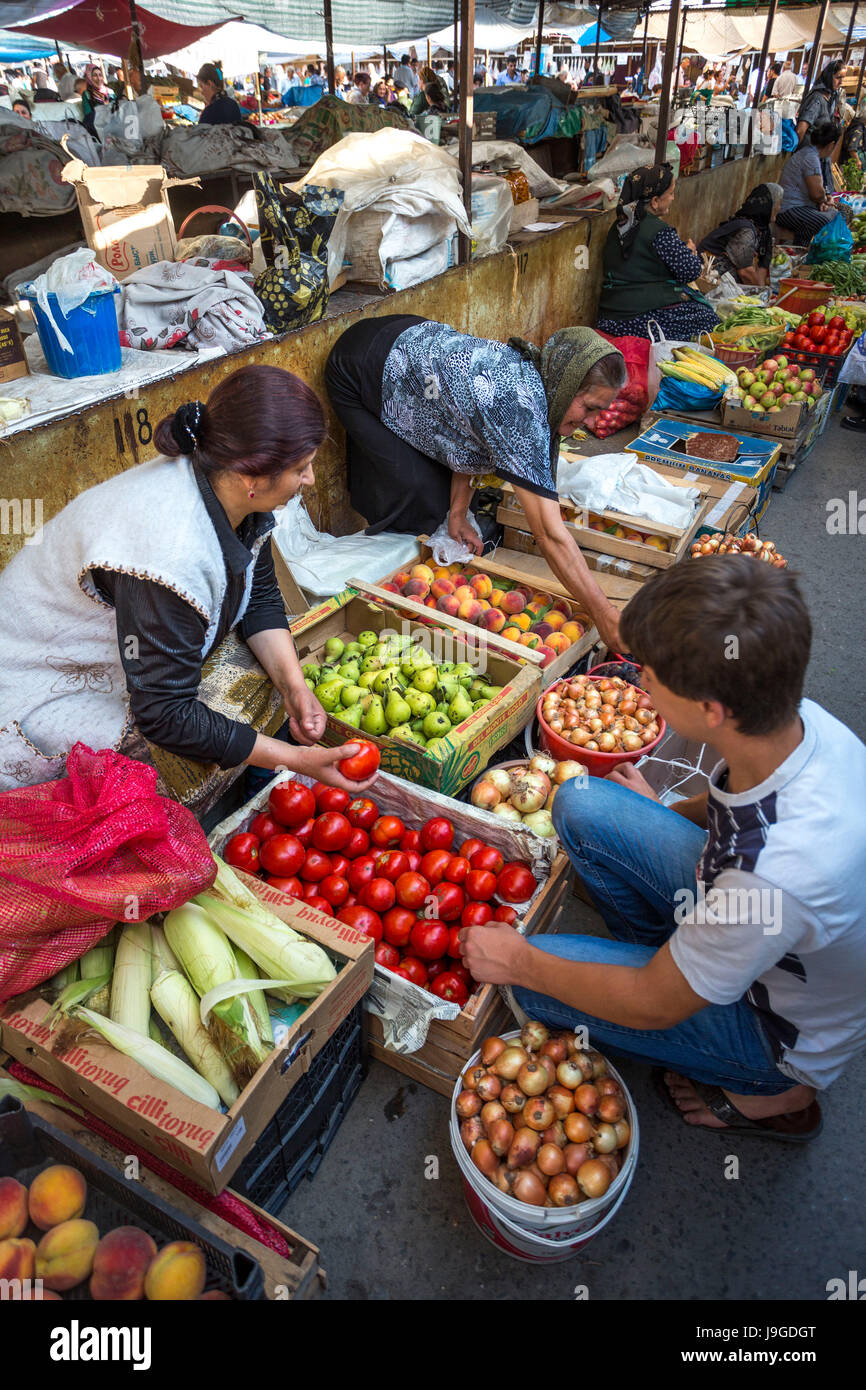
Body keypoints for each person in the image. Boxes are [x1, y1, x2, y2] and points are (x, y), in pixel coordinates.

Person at [458, 560, 866, 1142]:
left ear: (709, 711)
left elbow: (653, 1005)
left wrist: (519, 961)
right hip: (755, 933)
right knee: (581, 802)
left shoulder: (773, 874)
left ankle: (776, 1095)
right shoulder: (799, 726)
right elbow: (729, 796)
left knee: (524, 981)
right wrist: (660, 813)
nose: (640, 685)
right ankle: (672, 956)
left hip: (772, 1026)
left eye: (651, 676)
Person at [0, 365, 375, 812]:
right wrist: (295, 760)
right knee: (163, 781)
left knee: (267, 676)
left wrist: (295, 687)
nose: (311, 479)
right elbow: (164, 714)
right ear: (252, 477)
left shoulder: (226, 485)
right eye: (301, 468)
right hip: (46, 689)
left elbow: (258, 592)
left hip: (132, 654)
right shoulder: (166, 553)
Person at [325, 317, 627, 650]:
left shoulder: (537, 381)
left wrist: (457, 514)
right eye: (590, 407)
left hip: (405, 348)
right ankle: (394, 617)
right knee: (417, 500)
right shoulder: (518, 408)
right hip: (360, 365)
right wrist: (605, 614)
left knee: (437, 502)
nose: (594, 422)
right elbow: (549, 534)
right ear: (567, 385)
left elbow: (466, 433)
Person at [597, 164, 719, 341]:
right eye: (670, 193)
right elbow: (690, 272)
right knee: (708, 319)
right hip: (636, 318)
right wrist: (690, 254)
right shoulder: (659, 231)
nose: (673, 198)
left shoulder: (617, 227)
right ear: (654, 201)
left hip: (609, 314)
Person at [698, 183, 784, 287]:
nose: (779, 208)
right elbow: (745, 272)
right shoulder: (745, 231)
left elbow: (763, 265)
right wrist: (760, 294)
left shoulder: (763, 231)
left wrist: (762, 293)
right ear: (769, 206)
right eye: (778, 204)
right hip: (708, 279)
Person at [776, 120, 841, 242]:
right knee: (828, 220)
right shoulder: (810, 157)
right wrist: (824, 201)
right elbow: (816, 194)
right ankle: (801, 246)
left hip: (801, 206)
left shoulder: (812, 154)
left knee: (839, 212)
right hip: (788, 210)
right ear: (832, 144)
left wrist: (823, 201)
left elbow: (817, 194)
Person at [796, 58, 846, 185]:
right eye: (838, 77)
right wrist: (796, 157)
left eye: (842, 78)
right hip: (808, 158)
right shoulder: (817, 99)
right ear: (829, 76)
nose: (840, 82)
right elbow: (801, 129)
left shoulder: (830, 99)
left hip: (820, 159)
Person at [80, 62, 111, 135]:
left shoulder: (110, 92)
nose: (99, 78)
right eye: (95, 75)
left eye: (100, 75)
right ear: (89, 77)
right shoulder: (87, 94)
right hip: (98, 127)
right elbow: (88, 114)